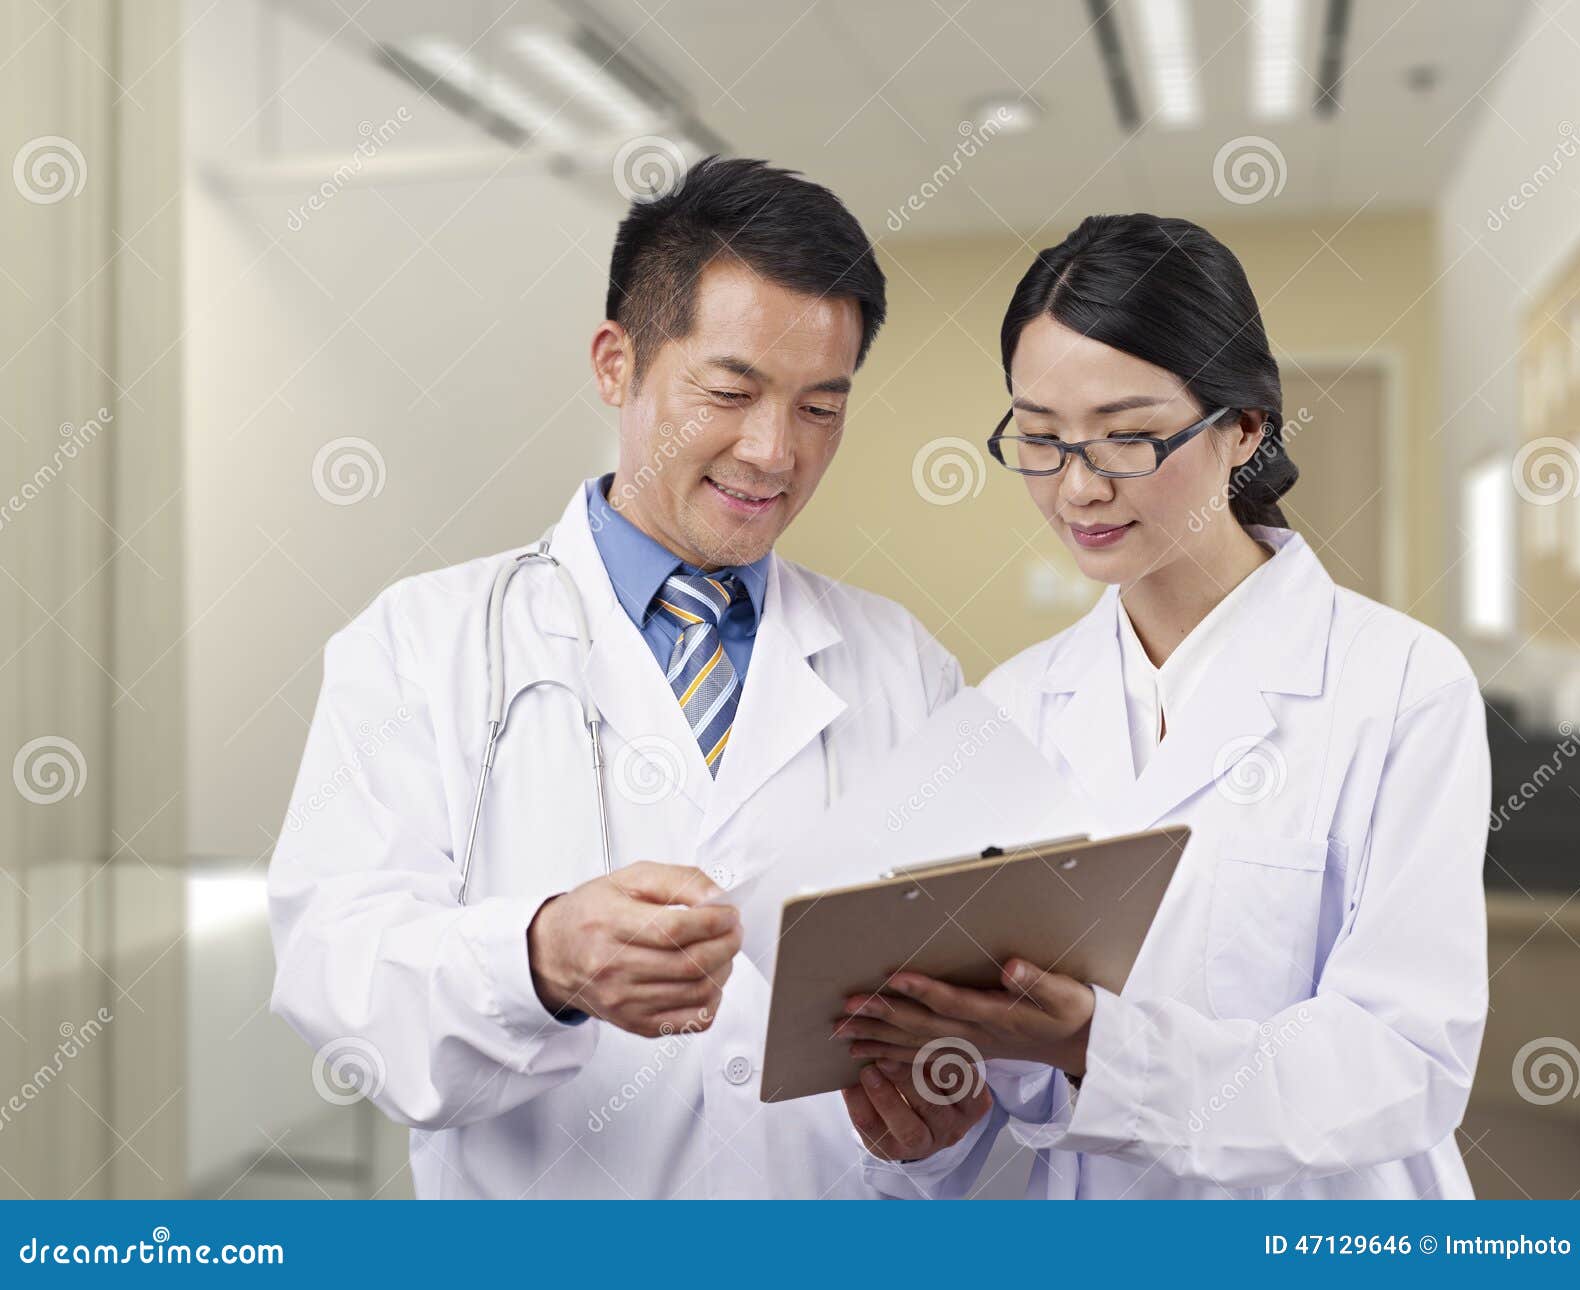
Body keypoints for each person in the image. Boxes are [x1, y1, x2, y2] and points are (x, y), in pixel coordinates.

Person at [268, 157, 989, 1199]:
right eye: (730, 391)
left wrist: (945, 1129)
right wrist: (539, 957)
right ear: (617, 364)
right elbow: (337, 979)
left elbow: (958, 987)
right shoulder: (422, 642)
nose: (773, 451)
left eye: (821, 408)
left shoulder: (903, 666)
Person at [839, 213, 1491, 1200]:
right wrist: (935, 1131)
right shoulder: (1012, 706)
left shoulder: (1400, 685)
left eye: (1129, 438)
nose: (1077, 489)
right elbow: (1008, 1094)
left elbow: (1403, 1062)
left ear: (1243, 428)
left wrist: (1104, 1047)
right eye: (1042, 439)